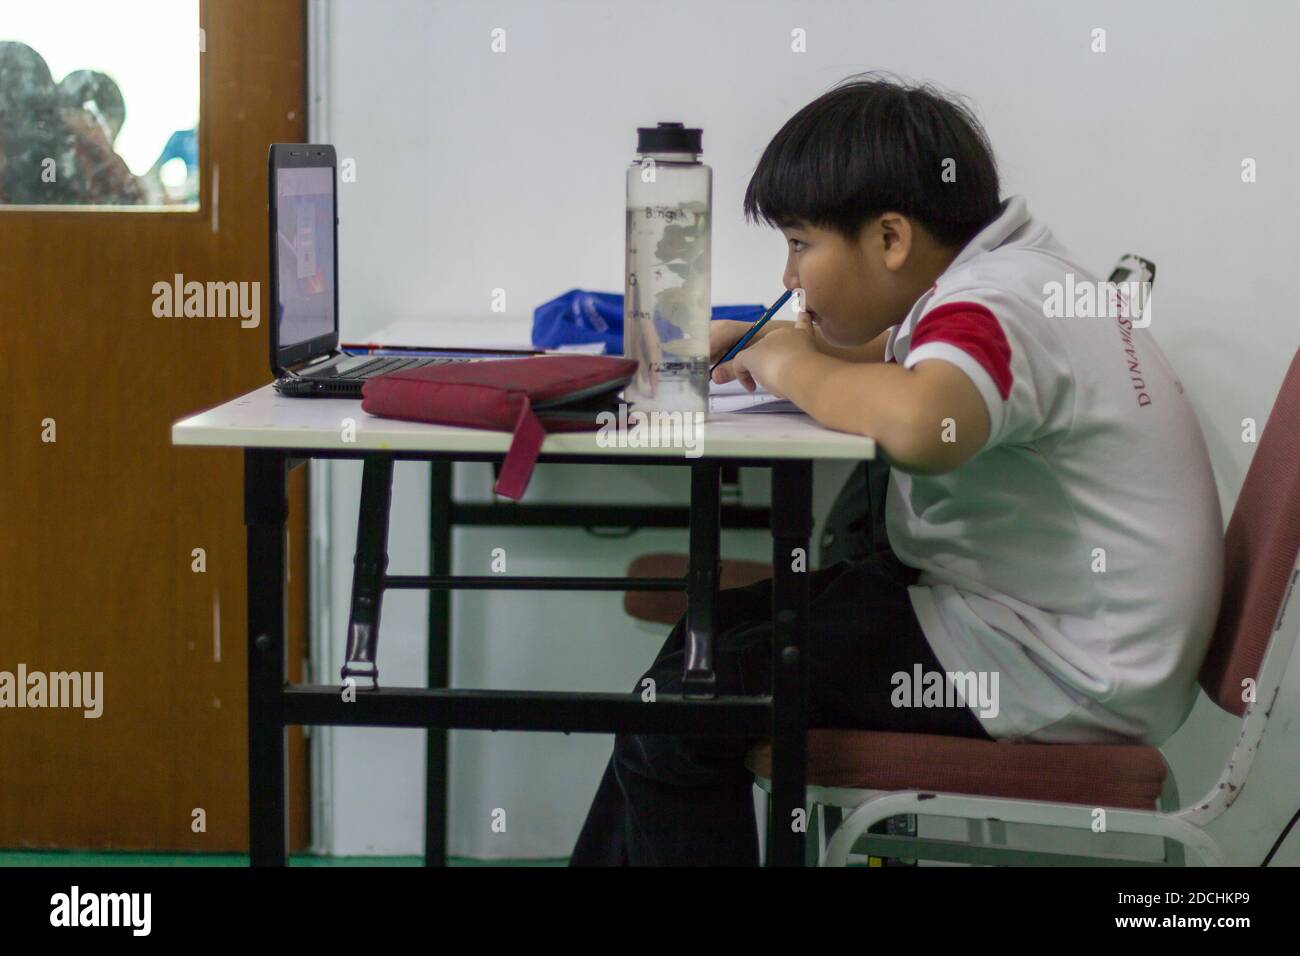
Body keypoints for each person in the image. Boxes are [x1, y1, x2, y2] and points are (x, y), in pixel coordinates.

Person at [569, 72, 1223, 866]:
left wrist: (788, 368)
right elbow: (907, 362)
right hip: (1051, 635)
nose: (788, 278)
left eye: (800, 245)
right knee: (708, 639)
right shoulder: (1013, 280)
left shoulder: (994, 306)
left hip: (1054, 667)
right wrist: (773, 341)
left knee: (683, 710)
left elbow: (924, 422)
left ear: (889, 239)